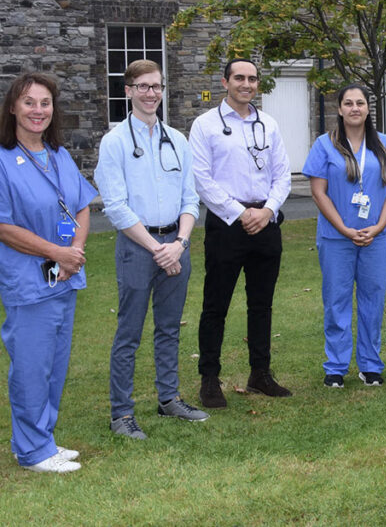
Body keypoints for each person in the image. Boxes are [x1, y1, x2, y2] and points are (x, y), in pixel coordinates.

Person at [95, 60, 207, 440]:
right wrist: (156, 248)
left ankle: (169, 398)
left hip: (176, 244)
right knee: (129, 332)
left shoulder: (177, 139)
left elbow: (191, 199)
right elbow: (115, 206)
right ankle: (121, 413)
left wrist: (179, 244)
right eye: (142, 86)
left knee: (169, 328)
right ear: (128, 91)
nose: (150, 93)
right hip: (138, 249)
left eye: (156, 86)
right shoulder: (114, 143)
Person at [0, 73, 95, 472]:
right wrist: (58, 251)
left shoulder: (59, 154)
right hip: (29, 278)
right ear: (12, 108)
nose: (38, 110)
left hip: (62, 274)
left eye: (45, 103)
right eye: (29, 102)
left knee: (55, 364)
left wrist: (73, 251)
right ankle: (32, 450)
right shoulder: (3, 160)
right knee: (31, 365)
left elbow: (83, 205)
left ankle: (42, 439)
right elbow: (4, 226)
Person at [189, 58, 292, 408]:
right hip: (226, 225)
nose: (246, 84)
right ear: (225, 82)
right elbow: (202, 179)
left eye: (252, 79)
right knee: (215, 306)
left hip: (265, 222)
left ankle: (260, 374)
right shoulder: (205, 125)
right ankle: (209, 379)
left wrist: (267, 211)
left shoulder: (269, 124)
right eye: (239, 78)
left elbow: (283, 175)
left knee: (261, 305)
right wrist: (239, 212)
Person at [302, 85, 386, 388]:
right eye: (348, 103)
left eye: (360, 103)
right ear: (339, 109)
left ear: (368, 108)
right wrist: (344, 229)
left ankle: (370, 365)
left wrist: (379, 225)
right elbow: (318, 193)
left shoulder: (384, 145)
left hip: (375, 237)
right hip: (337, 238)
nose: (355, 108)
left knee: (373, 299)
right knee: (337, 302)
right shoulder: (324, 144)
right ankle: (335, 367)